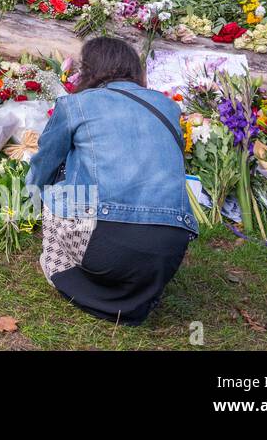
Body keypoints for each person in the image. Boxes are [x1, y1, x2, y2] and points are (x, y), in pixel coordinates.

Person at [27, 36, 196, 326]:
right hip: (167, 251)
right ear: (134, 70)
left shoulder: (76, 104)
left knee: (57, 184)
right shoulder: (168, 107)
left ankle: (64, 271)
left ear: (89, 70)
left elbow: (44, 164)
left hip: (102, 243)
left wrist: (29, 198)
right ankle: (133, 295)